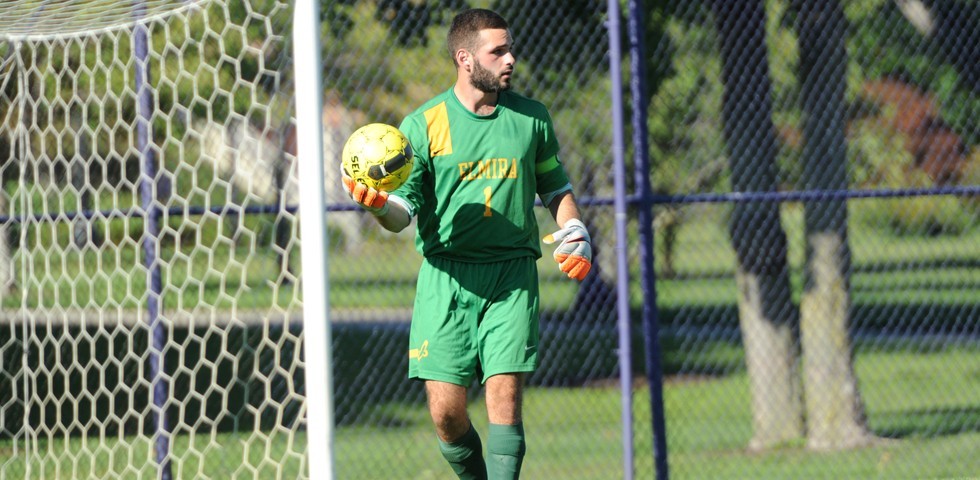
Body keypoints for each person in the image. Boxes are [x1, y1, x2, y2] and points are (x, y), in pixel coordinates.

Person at [341, 8, 592, 479]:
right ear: (465, 58)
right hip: (446, 278)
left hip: (511, 276)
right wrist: (376, 206)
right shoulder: (422, 126)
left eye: (510, 48)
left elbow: (556, 189)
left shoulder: (532, 119)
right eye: (498, 51)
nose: (510, 59)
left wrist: (575, 228)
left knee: (504, 396)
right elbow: (401, 217)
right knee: (447, 415)